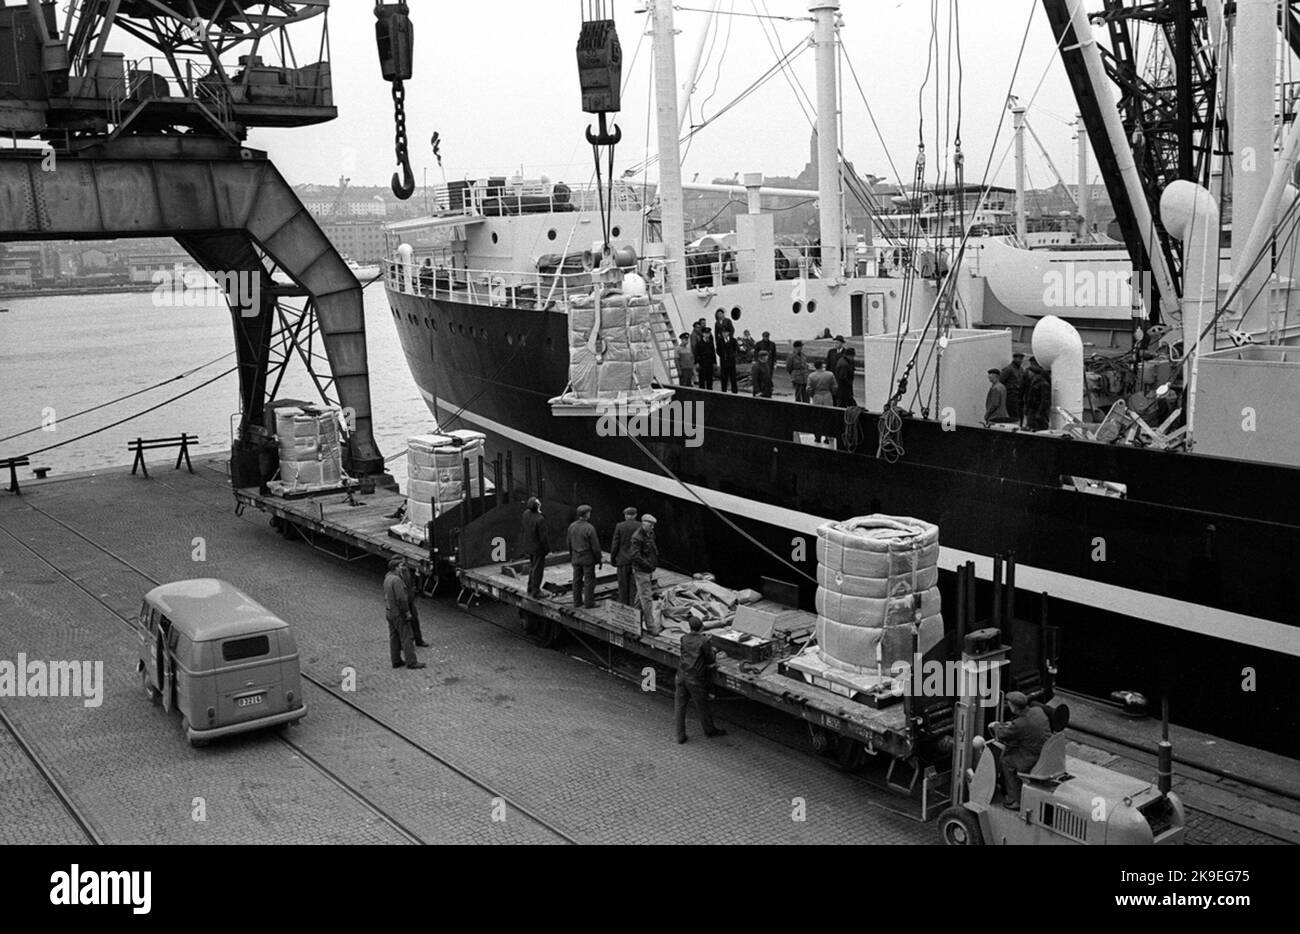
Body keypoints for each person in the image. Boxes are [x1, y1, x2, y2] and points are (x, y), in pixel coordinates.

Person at [992, 691, 1050, 808]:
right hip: (1045, 752)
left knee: (1007, 761)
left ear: (1013, 707)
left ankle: (1015, 800)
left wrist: (996, 726)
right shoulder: (1037, 711)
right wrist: (1012, 725)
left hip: (1032, 758)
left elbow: (1002, 734)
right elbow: (1027, 728)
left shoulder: (1020, 724)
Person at [675, 617, 726, 743]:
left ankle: (680, 736)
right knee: (702, 706)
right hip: (695, 679)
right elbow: (710, 659)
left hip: (681, 675)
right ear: (702, 627)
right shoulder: (704, 641)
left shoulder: (684, 638)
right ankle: (710, 731)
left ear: (689, 627)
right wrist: (713, 651)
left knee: (680, 707)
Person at [384, 557, 425, 669]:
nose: (402, 568)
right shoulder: (396, 580)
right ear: (396, 568)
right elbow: (401, 599)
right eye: (400, 566)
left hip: (389, 611)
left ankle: (396, 660)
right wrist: (406, 612)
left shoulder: (387, 577)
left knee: (394, 636)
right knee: (406, 636)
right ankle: (411, 661)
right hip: (398, 613)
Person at [630, 514, 662, 635]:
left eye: (653, 525)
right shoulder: (637, 537)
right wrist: (648, 565)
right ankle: (650, 626)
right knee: (646, 598)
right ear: (643, 523)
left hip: (648, 570)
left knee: (640, 597)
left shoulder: (649, 534)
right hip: (641, 571)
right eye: (650, 525)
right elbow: (635, 556)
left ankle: (633, 619)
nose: (652, 527)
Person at [566, 504, 602, 608]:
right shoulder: (589, 528)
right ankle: (589, 603)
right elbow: (595, 547)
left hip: (576, 558)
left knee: (576, 580)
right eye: (589, 513)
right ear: (586, 515)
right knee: (589, 581)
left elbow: (568, 543)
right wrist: (598, 559)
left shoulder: (572, 526)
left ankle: (577, 602)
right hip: (587, 559)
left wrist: (572, 555)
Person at [609, 506, 640, 605]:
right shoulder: (640, 526)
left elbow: (615, 545)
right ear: (635, 515)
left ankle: (624, 606)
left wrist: (613, 559)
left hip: (622, 561)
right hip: (636, 561)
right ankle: (633, 607)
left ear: (626, 516)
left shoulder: (620, 526)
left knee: (623, 587)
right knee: (634, 587)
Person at [519, 496, 549, 597]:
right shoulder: (540, 519)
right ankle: (536, 591)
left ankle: (530, 587)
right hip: (538, 548)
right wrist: (547, 549)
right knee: (538, 569)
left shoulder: (526, 514)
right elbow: (543, 538)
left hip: (529, 545)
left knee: (532, 567)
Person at [399, 559, 430, 647]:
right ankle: (404, 642)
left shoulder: (406, 571)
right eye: (401, 564)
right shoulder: (395, 576)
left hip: (409, 600)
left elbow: (410, 584)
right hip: (402, 603)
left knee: (415, 621)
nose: (403, 565)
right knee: (403, 624)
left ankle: (418, 640)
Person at [807, 359, 837, 443]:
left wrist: (813, 395)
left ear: (814, 366)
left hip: (817, 396)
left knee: (817, 417)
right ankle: (827, 437)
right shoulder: (830, 374)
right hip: (827, 396)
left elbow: (809, 389)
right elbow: (835, 387)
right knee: (828, 416)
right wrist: (832, 393)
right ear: (822, 365)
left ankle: (818, 436)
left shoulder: (811, 376)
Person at [1023, 360, 1052, 431]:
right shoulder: (1034, 382)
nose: (1028, 373)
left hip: (1038, 411)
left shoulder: (1043, 384)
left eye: (1029, 372)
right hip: (1033, 411)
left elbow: (1045, 400)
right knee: (1031, 428)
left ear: (1033, 372)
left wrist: (1040, 413)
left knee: (1040, 429)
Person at [999, 352, 1026, 424]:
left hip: (1020, 396)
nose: (1021, 361)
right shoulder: (1008, 369)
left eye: (1022, 359)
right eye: (1019, 359)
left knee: (1021, 416)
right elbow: (1001, 382)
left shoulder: (1021, 370)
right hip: (1012, 396)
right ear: (1014, 358)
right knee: (1014, 416)